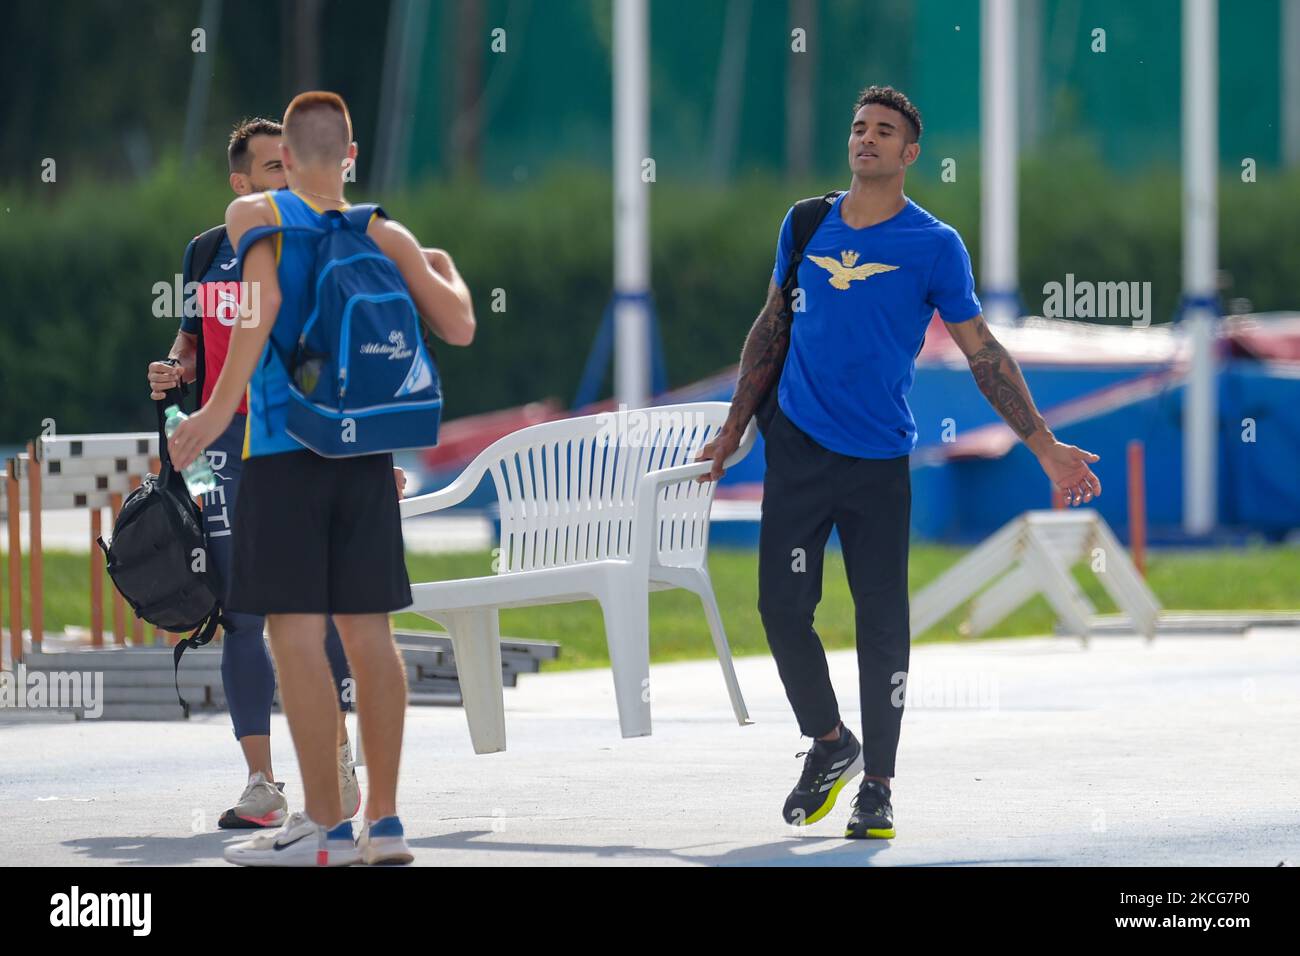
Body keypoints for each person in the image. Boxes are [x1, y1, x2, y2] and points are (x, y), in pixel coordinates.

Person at [696, 86, 1101, 840]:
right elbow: (771, 325)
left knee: (883, 624)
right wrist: (732, 429)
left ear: (910, 153)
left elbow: (983, 353)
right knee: (783, 611)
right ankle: (829, 745)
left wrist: (1043, 445)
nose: (866, 139)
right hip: (797, 449)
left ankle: (876, 786)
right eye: (857, 127)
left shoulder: (934, 245)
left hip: (878, 462)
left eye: (884, 132)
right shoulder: (805, 223)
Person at [168, 90, 476, 866]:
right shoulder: (385, 230)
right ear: (350, 156)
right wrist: (448, 271)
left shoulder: (256, 218)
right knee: (370, 638)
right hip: (368, 459)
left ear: (288, 160)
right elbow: (460, 325)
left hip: (282, 454)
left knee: (294, 637)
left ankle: (331, 830)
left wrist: (210, 414)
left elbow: (259, 307)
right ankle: (390, 824)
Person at [147, 118, 361, 831]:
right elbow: (189, 336)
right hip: (218, 446)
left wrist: (366, 456)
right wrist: (175, 368)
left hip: (297, 441)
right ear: (242, 184)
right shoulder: (205, 251)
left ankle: (333, 761)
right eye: (273, 166)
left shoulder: (318, 246)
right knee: (239, 612)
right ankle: (262, 786)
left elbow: (350, 359)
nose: (286, 174)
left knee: (308, 604)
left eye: (292, 162)